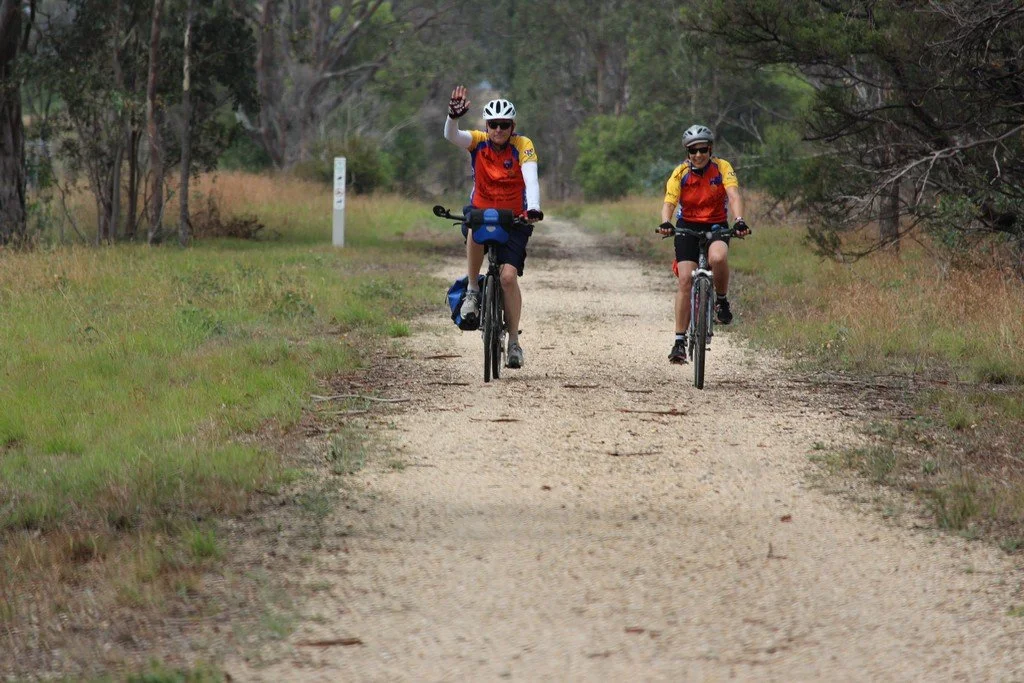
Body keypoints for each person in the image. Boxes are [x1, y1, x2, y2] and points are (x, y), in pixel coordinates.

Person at [444, 84, 543, 369]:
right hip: (483, 211)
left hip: (515, 217)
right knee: (474, 226)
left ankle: (513, 341)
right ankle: (473, 290)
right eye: (493, 125)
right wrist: (453, 117)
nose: (498, 130)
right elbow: (452, 136)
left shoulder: (523, 145)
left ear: (513, 126)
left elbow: (531, 176)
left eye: (504, 125)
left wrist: (533, 207)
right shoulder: (478, 142)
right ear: (486, 126)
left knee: (508, 277)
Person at [658, 124, 751, 364]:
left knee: (718, 258)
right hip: (687, 227)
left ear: (710, 149)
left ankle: (721, 301)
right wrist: (666, 222)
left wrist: (739, 220)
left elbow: (733, 195)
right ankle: (679, 341)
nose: (698, 155)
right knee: (685, 280)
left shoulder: (722, 168)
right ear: (687, 153)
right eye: (693, 151)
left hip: (716, 225)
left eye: (703, 150)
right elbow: (670, 200)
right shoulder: (680, 173)